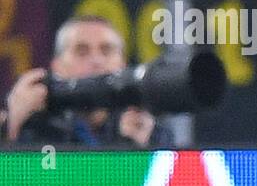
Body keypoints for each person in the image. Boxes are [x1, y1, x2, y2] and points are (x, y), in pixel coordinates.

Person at [3, 16, 166, 148]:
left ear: (122, 64)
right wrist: (10, 128)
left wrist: (139, 151)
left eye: (106, 50)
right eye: (82, 51)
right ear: (57, 66)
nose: (96, 61)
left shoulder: (148, 128)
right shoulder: (35, 125)